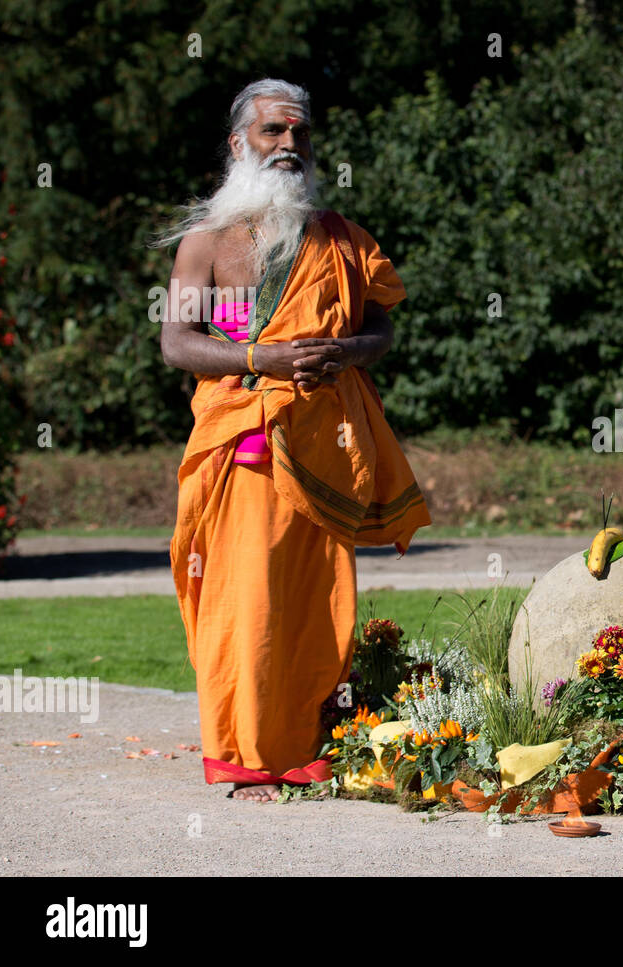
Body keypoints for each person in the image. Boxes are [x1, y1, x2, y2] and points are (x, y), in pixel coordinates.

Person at [157, 79, 431, 801]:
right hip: (242, 443)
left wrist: (345, 348)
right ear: (238, 143)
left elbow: (383, 328)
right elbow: (177, 343)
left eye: (299, 133)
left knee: (319, 605)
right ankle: (249, 759)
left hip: (324, 445)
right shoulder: (207, 243)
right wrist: (261, 358)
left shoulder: (339, 238)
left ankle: (309, 749)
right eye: (273, 131)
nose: (288, 145)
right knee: (247, 602)